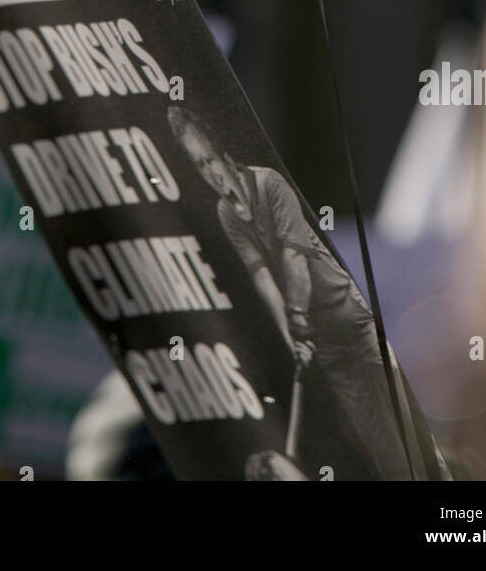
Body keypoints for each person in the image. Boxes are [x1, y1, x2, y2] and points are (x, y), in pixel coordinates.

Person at [167, 104, 423, 480]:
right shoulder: (227, 212)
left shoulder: (269, 183)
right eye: (199, 167)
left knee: (403, 410)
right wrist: (291, 335)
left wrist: (298, 318)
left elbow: (294, 259)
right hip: (320, 335)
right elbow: (261, 277)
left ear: (224, 155)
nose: (210, 174)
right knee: (373, 435)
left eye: (209, 161)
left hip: (347, 314)